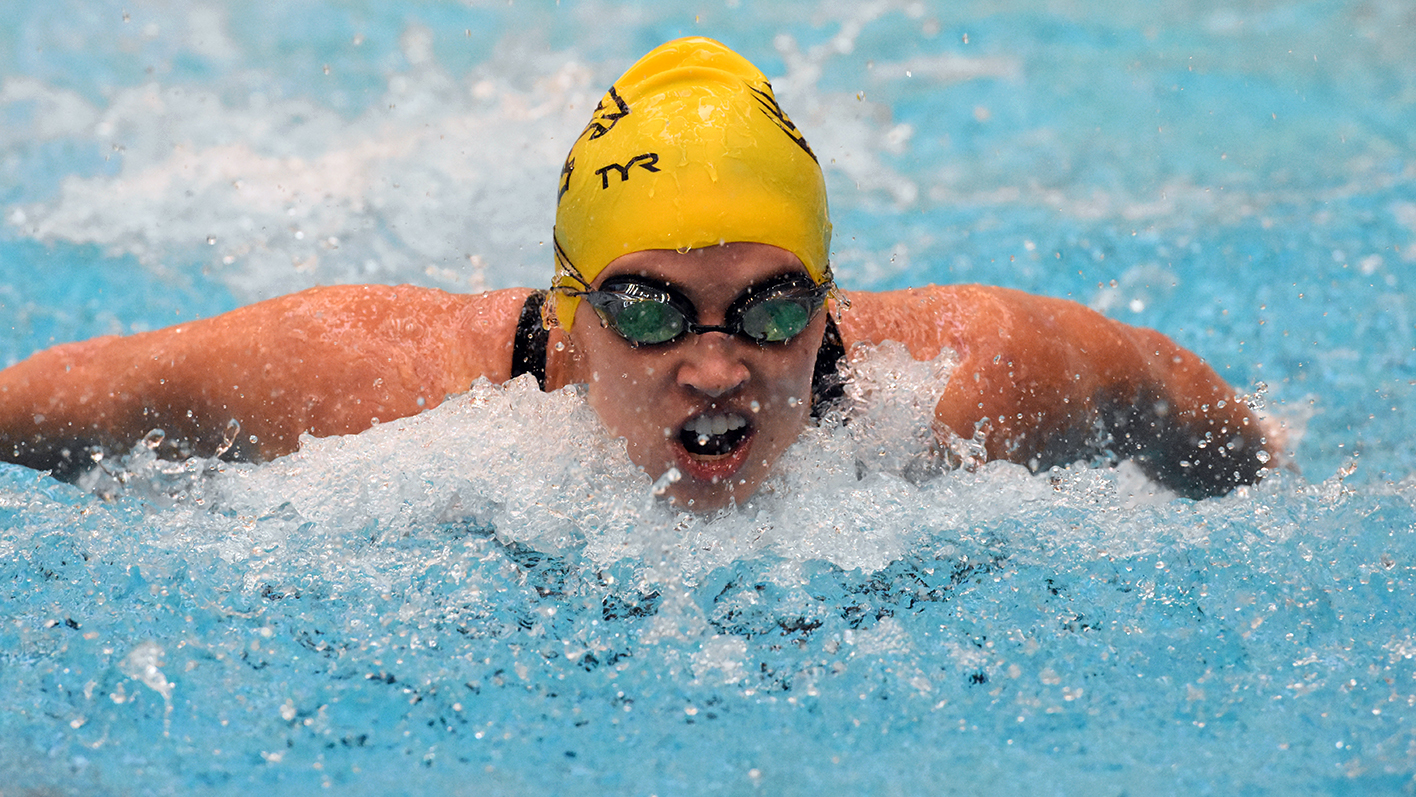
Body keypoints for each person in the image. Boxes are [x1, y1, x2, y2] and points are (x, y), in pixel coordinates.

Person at [0, 37, 1275, 509]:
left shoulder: (975, 376)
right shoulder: (365, 384)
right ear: (572, 307)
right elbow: (71, 401)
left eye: (774, 304)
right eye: (650, 307)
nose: (715, 366)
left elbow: (1187, 409)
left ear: (829, 299)